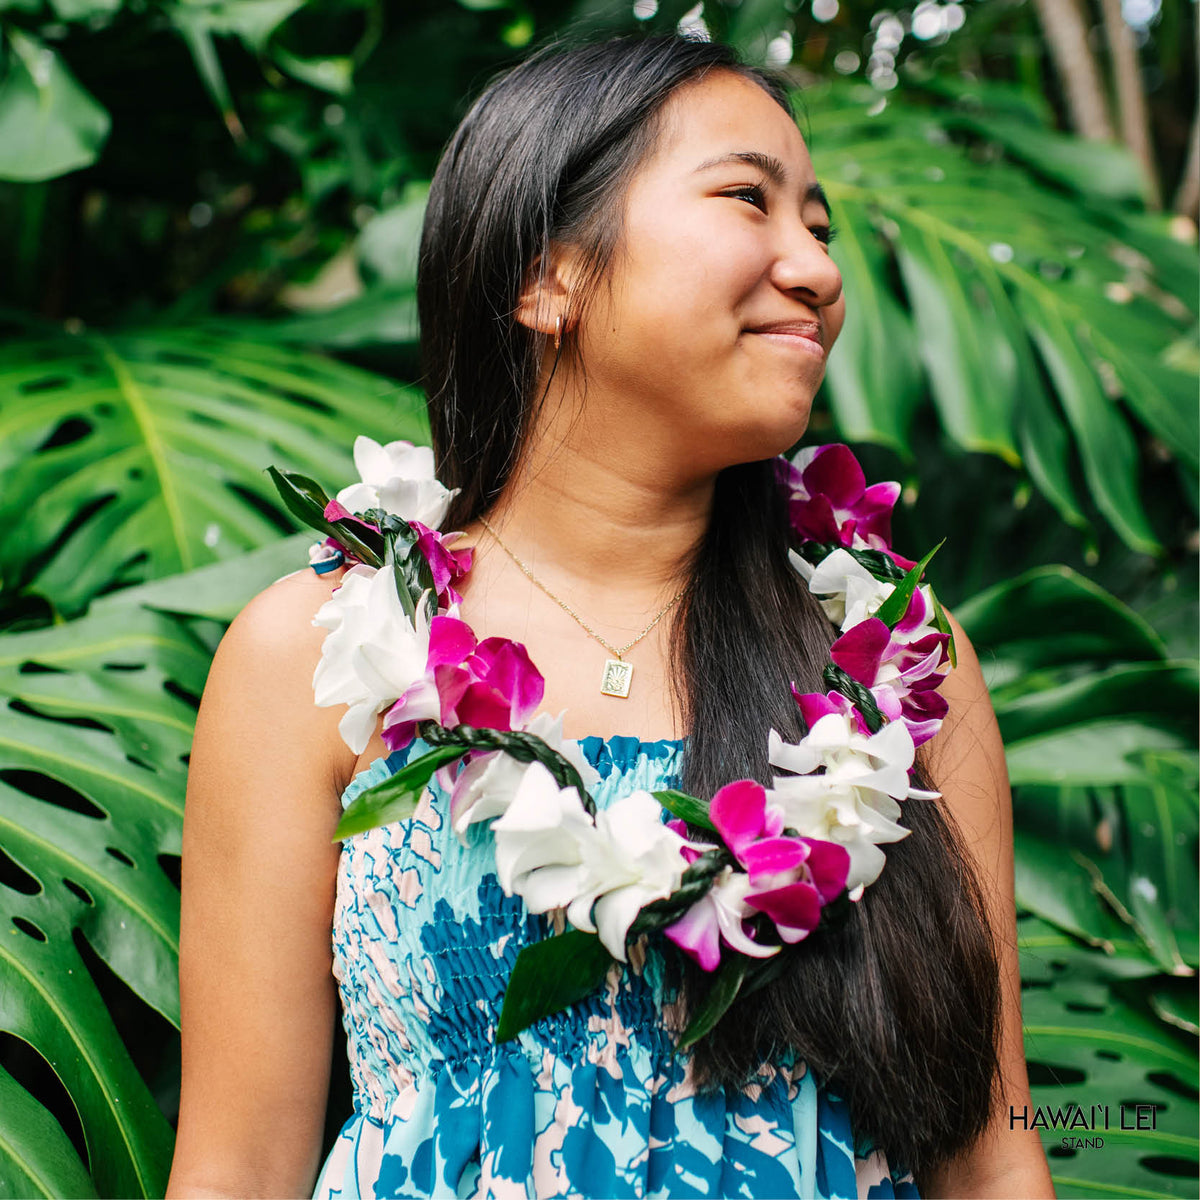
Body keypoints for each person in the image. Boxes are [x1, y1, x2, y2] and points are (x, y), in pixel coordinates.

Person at [166, 34, 1055, 1200]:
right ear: (549, 276)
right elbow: (236, 1169)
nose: (817, 271)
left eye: (821, 230)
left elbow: (992, 1148)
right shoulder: (319, 654)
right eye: (750, 200)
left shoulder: (897, 670)